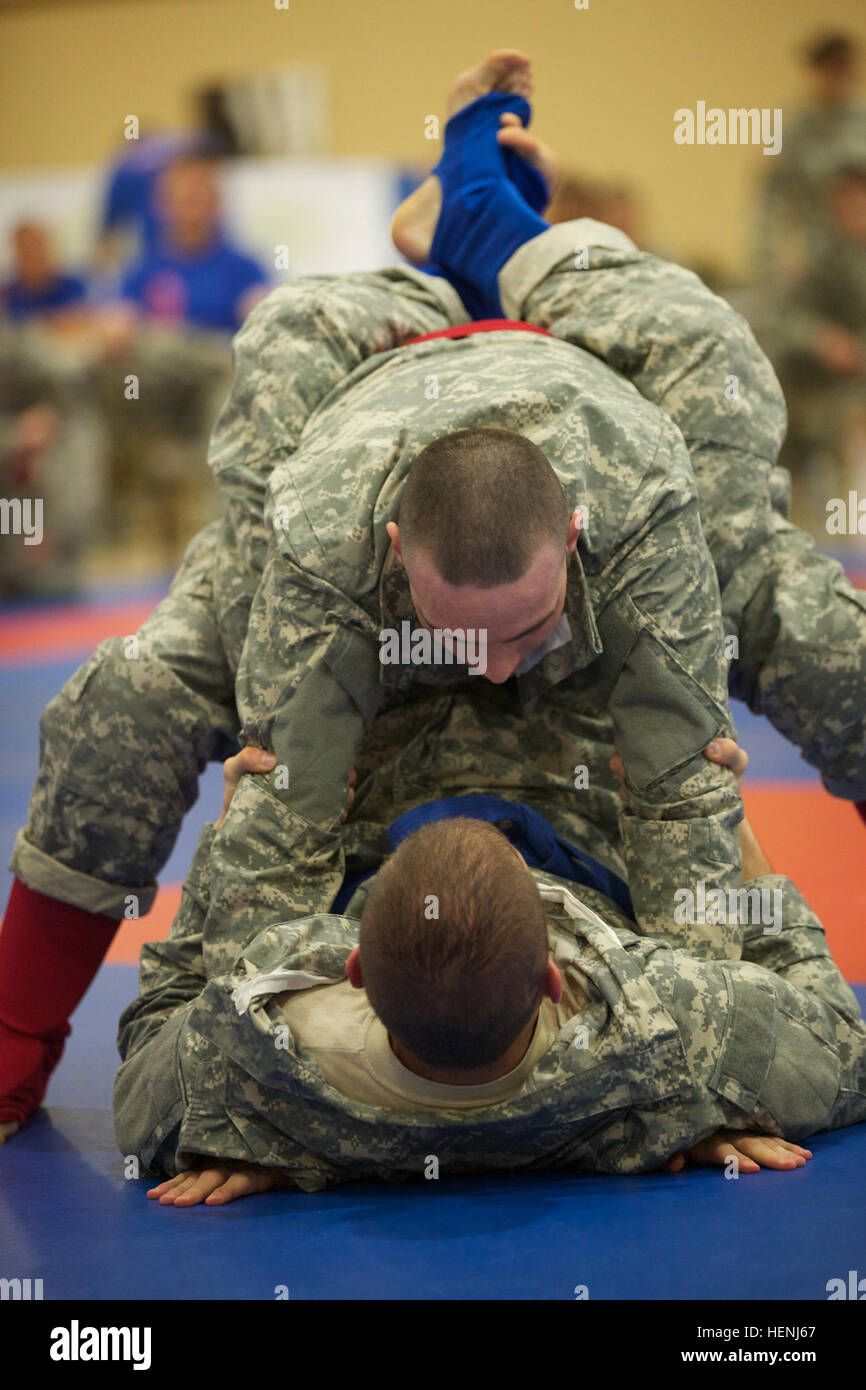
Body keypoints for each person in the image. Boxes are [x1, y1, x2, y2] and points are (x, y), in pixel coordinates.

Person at [2, 50, 865, 1141]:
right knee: (129, 703)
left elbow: (677, 797)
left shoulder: (647, 516)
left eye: (521, 634)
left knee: (828, 648)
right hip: (348, 369)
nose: (493, 669)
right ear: (395, 551)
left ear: (577, 542)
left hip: (605, 388)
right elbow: (285, 816)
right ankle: (8, 1051)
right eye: (464, 637)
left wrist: (699, 1059)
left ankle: (487, 229)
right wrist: (247, 1060)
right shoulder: (317, 548)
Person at [114, 735, 863, 1201]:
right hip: (582, 811)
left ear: (355, 971)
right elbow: (841, 1039)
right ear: (552, 979)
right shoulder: (681, 1030)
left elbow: (155, 1034)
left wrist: (229, 833)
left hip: (367, 791)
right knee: (673, 743)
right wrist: (740, 835)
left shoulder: (241, 1062)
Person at [756, 31, 866, 288]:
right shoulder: (789, 129)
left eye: (843, 69)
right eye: (828, 69)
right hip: (814, 248)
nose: (835, 79)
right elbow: (770, 198)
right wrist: (769, 257)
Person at [1, 223, 87, 324]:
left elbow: (82, 320)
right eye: (26, 249)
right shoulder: (8, 295)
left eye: (37, 246)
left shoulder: (73, 287)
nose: (32, 254)